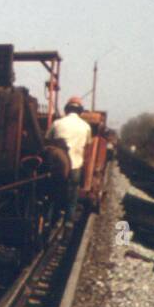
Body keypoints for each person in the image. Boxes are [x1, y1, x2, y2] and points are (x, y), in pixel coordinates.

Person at [48, 96, 93, 227]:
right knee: (73, 196)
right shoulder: (86, 127)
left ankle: (50, 220)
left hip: (58, 166)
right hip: (75, 166)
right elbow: (88, 145)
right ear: (80, 111)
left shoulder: (57, 123)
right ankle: (68, 222)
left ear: (67, 109)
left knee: (53, 194)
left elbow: (47, 139)